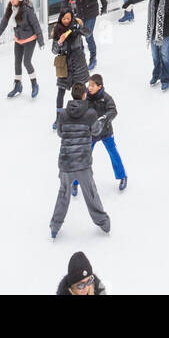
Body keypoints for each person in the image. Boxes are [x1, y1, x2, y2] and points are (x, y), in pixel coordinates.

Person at [49, 82, 109, 240]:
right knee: (91, 194)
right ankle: (104, 223)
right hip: (83, 162)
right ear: (84, 95)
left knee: (63, 194)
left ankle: (55, 227)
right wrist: (102, 121)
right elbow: (96, 130)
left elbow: (60, 133)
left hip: (66, 162)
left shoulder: (63, 114)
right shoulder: (90, 114)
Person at [0, 0, 45, 99]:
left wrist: (41, 41)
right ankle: (17, 85)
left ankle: (34, 84)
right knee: (17, 63)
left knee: (26, 62)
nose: (11, 0)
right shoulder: (10, 9)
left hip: (30, 39)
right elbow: (2, 25)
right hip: (18, 39)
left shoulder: (27, 9)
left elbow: (36, 25)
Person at [65, 0, 108, 70]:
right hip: (80, 13)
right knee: (78, 34)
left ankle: (93, 58)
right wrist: (64, 10)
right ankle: (81, 54)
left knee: (88, 35)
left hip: (91, 12)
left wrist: (104, 6)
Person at [51, 8, 91, 124]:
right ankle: (58, 117)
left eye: (68, 18)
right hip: (64, 64)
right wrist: (59, 42)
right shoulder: (57, 30)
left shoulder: (76, 26)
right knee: (61, 91)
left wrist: (80, 28)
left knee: (81, 89)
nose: (66, 21)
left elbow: (88, 33)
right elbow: (53, 51)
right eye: (64, 18)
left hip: (78, 62)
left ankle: (84, 112)